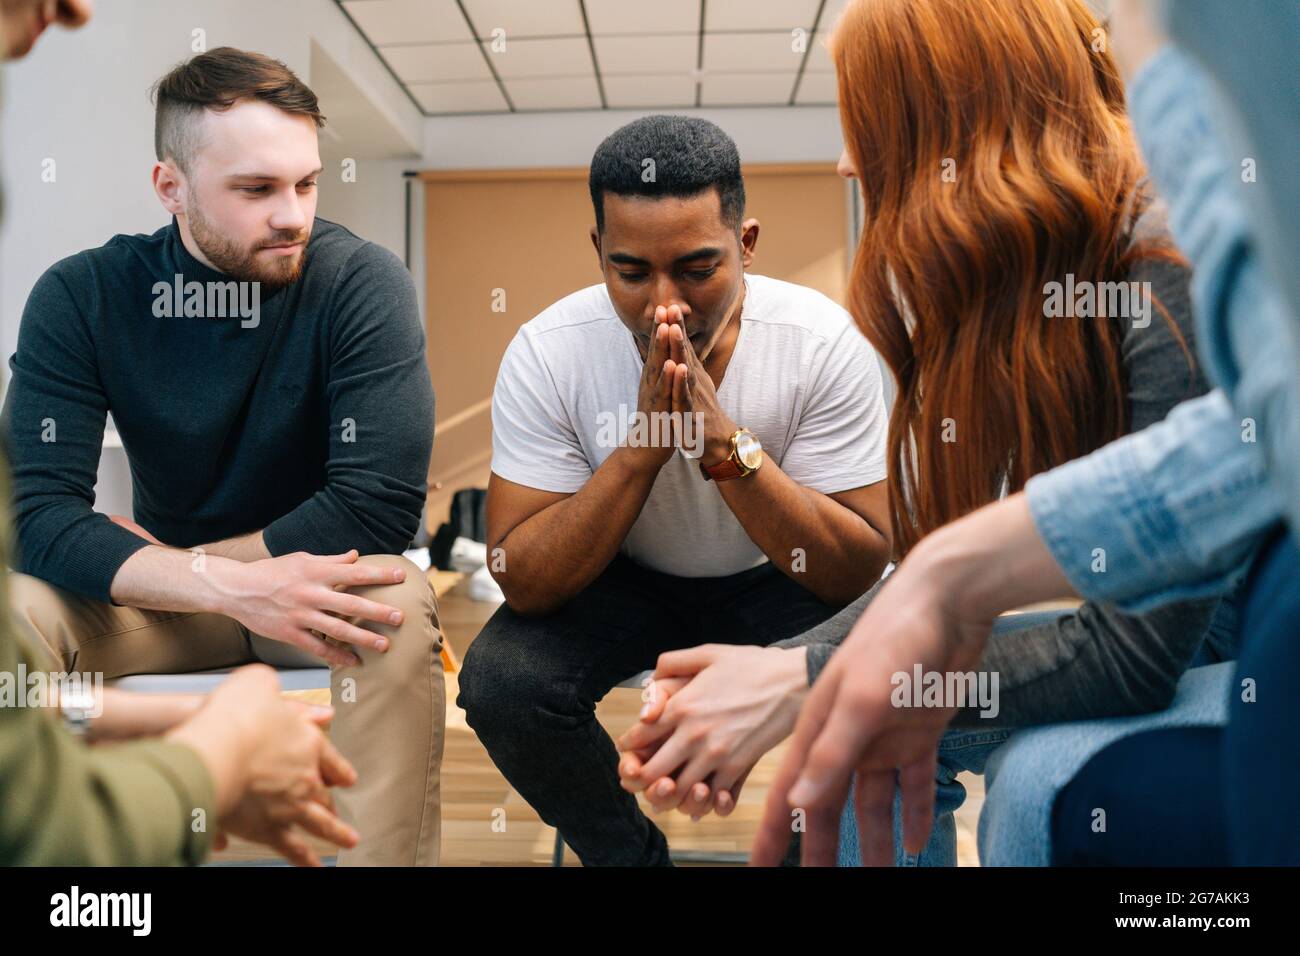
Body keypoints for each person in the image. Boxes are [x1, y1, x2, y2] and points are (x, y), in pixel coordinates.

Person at [615, 0, 1238, 867]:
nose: (845, 160)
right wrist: (774, 670)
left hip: (1250, 658)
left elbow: (1133, 656)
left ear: (962, 126)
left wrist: (804, 684)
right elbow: (936, 569)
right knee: (857, 722)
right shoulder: (1043, 295)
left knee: (1020, 777)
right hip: (1201, 638)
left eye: (867, 123)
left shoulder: (1163, 272)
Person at [2, 45, 443, 866]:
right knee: (17, 604)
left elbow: (375, 506)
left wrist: (197, 571)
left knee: (399, 603)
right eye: (256, 190)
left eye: (306, 183)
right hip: (172, 611)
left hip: (314, 591)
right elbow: (36, 516)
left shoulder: (361, 284)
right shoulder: (83, 295)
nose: (293, 215)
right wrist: (230, 587)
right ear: (170, 187)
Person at [456, 114, 893, 866]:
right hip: (622, 584)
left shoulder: (823, 344)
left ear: (746, 244)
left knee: (883, 639)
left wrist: (726, 447)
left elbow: (857, 567)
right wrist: (642, 451)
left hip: (773, 584)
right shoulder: (549, 351)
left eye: (697, 269)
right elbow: (520, 577)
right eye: (632, 272)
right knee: (501, 684)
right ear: (599, 253)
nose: (667, 304)